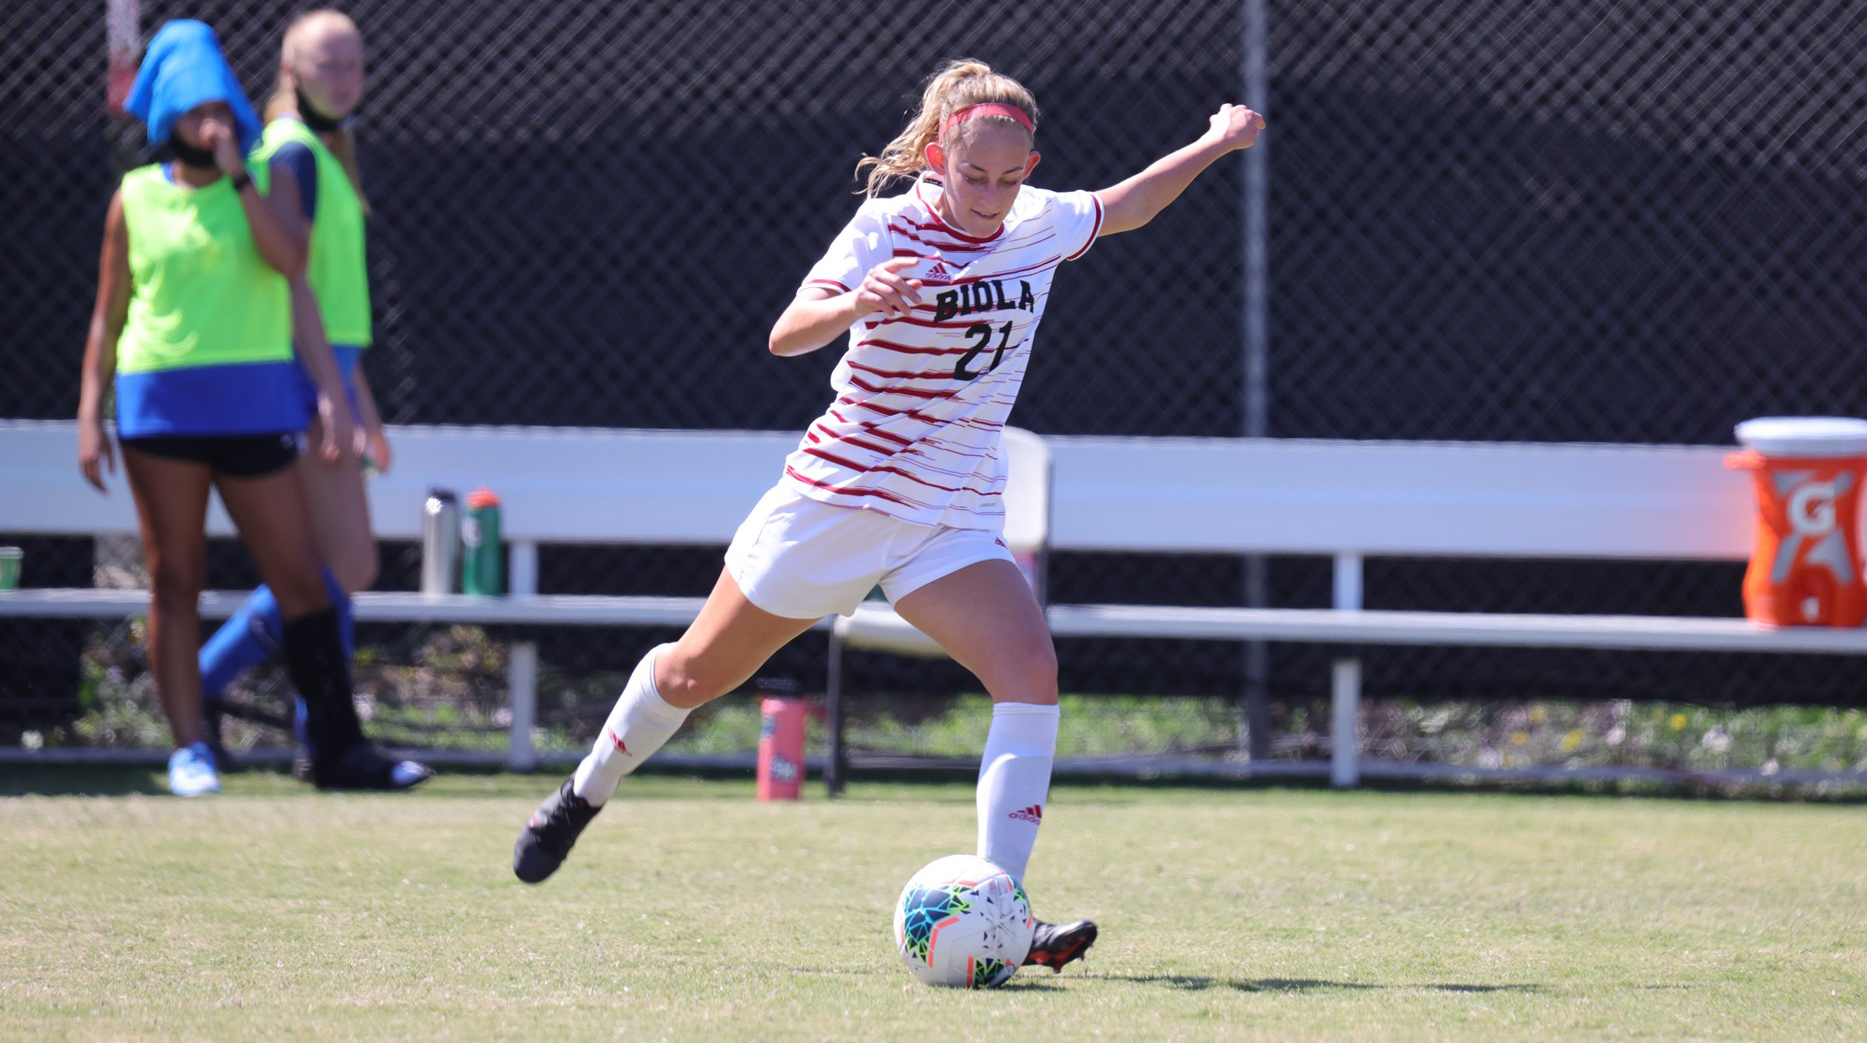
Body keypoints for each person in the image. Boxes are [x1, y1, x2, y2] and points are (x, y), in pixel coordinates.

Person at [511, 59, 1263, 972]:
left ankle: (1004, 909)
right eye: (972, 173)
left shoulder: (1038, 220)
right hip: (841, 501)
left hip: (950, 513)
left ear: (1030, 167)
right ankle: (582, 793)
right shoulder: (887, 225)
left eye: (1007, 176)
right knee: (691, 674)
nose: (988, 194)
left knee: (1029, 671)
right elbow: (787, 332)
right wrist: (856, 300)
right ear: (938, 156)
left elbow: (1128, 203)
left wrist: (1215, 143)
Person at [76, 19, 429, 796]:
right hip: (159, 407)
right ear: (168, 117)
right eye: (194, 111)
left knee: (305, 573)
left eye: (219, 108)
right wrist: (89, 412)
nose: (210, 123)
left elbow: (293, 270)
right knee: (175, 576)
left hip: (257, 405)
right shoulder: (138, 196)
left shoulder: (266, 177)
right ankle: (190, 746)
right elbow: (109, 313)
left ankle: (335, 745)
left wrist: (340, 392)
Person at [195, 10, 396, 771]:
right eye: (327, 64)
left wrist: (361, 401)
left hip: (329, 375)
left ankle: (326, 739)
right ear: (291, 70)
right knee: (339, 566)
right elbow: (290, 282)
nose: (344, 79)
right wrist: (327, 392)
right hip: (302, 379)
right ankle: (201, 684)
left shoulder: (326, 152)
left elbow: (336, 304)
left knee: (327, 567)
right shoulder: (290, 153)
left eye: (354, 64)